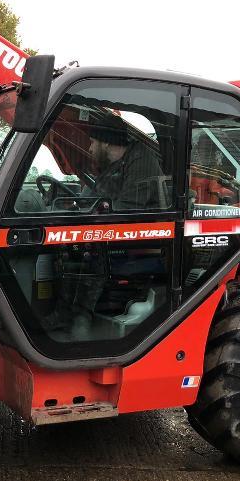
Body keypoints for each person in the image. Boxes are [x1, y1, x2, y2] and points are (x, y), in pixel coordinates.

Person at [39, 116, 164, 340]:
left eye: (93, 142)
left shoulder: (142, 160)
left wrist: (95, 213)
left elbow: (129, 209)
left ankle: (82, 317)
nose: (89, 148)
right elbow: (96, 198)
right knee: (66, 246)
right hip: (114, 231)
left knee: (90, 251)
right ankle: (64, 313)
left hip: (139, 237)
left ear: (105, 142)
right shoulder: (113, 167)